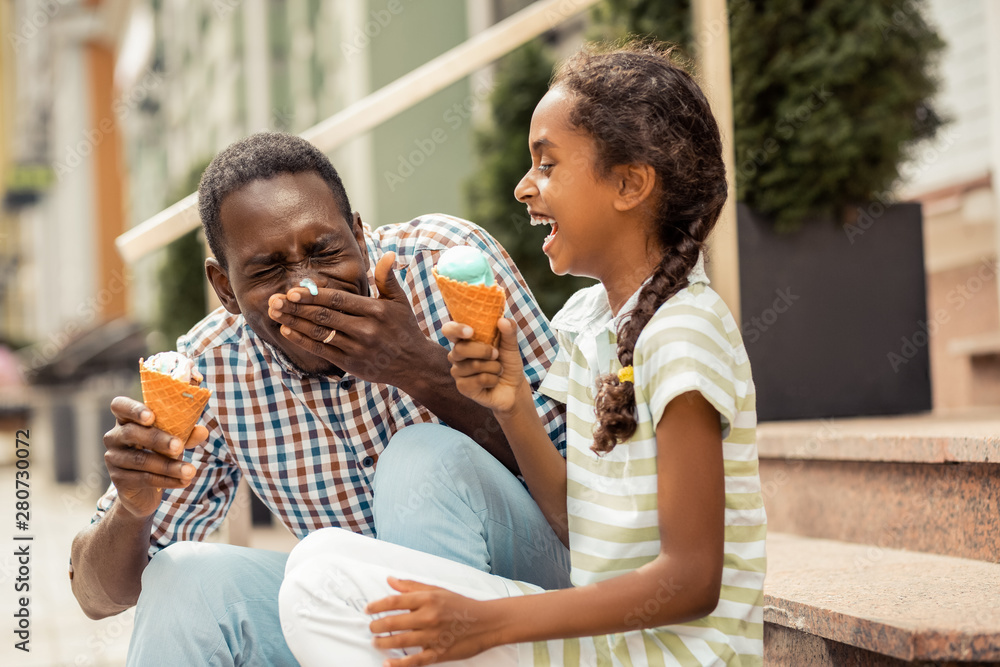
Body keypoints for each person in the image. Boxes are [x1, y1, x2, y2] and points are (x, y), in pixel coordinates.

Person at [279, 41, 767, 666]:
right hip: (599, 645)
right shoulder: (590, 322)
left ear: (629, 183)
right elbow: (574, 524)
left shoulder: (684, 333)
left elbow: (693, 580)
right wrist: (511, 407)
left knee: (324, 589)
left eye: (547, 163)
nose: (522, 186)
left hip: (660, 656)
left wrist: (489, 623)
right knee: (318, 562)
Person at [69, 132, 570, 666]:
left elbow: (586, 486)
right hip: (361, 627)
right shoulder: (211, 368)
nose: (304, 287)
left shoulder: (443, 262)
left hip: (531, 598)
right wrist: (132, 506)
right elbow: (97, 597)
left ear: (359, 233)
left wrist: (418, 369)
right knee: (182, 580)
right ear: (224, 289)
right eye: (267, 270)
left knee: (421, 457)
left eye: (324, 250)